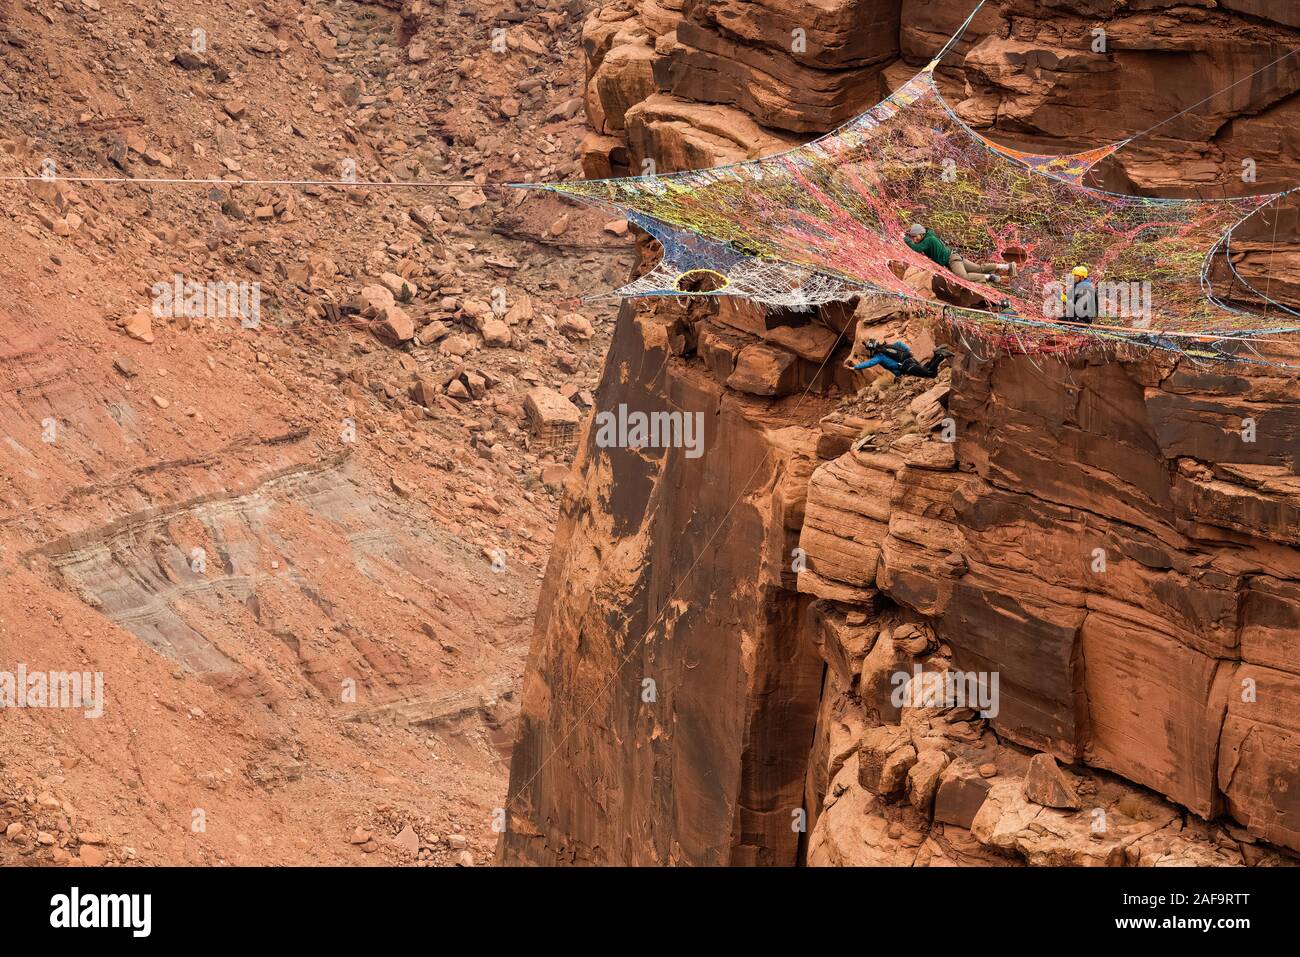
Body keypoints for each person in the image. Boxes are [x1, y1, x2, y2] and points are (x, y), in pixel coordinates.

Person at [905, 223, 1016, 285]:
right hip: (956, 256)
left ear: (921, 233)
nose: (914, 240)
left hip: (952, 260)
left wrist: (905, 239)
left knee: (963, 277)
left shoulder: (928, 240)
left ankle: (989, 277)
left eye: (915, 237)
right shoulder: (929, 236)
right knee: (979, 268)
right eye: (912, 237)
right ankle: (1006, 266)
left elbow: (916, 249)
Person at [851, 339, 953, 379]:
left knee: (931, 374)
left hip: (906, 367)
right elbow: (899, 343)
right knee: (926, 368)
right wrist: (908, 350)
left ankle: (941, 355)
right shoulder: (887, 346)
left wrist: (855, 367)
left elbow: (868, 364)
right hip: (910, 360)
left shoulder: (878, 357)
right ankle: (937, 354)